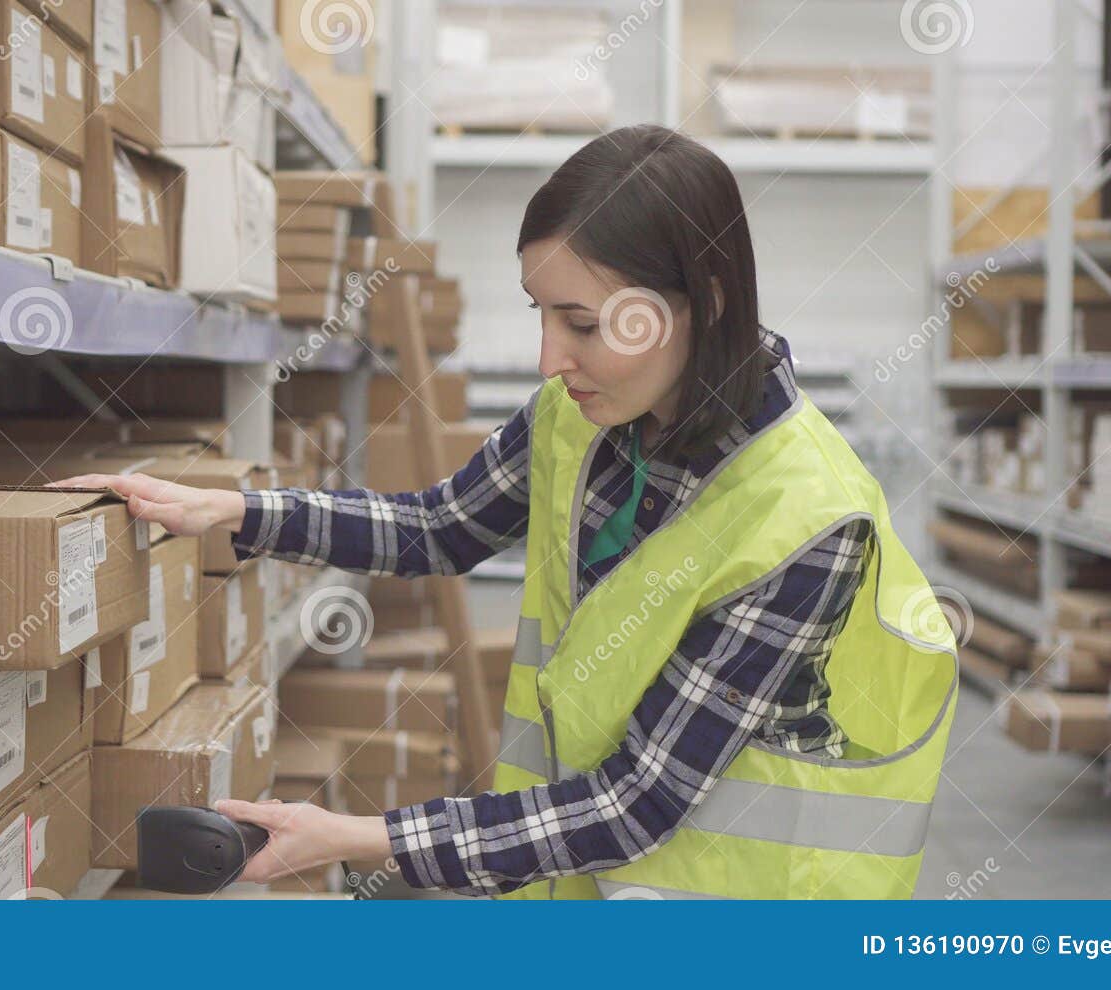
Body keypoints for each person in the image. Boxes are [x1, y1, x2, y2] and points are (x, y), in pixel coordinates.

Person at [56, 125, 958, 900]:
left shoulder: (810, 522)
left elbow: (635, 800)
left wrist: (363, 840)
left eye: (581, 322)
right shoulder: (582, 417)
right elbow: (438, 529)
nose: (547, 358)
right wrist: (232, 510)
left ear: (703, 303)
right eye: (540, 314)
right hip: (586, 888)